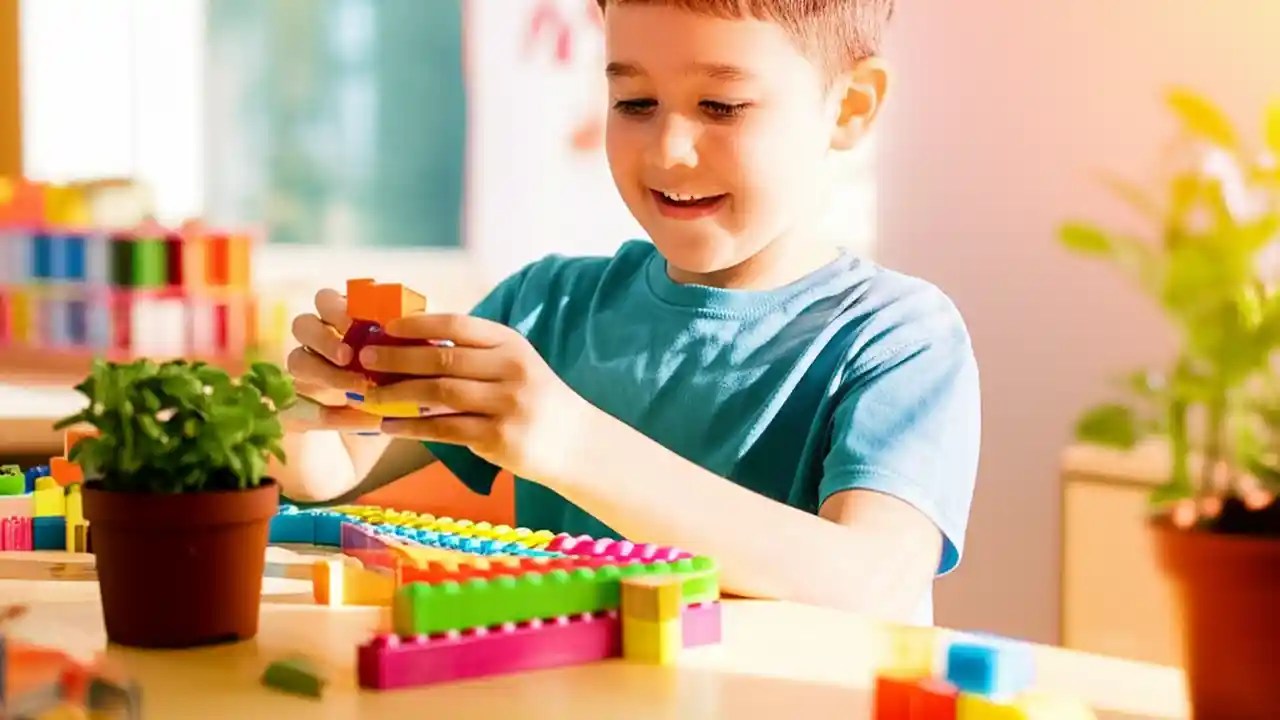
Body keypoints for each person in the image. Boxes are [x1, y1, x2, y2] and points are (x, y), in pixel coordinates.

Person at [277, 0, 980, 624]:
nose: (669, 150)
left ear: (851, 107)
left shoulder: (897, 338)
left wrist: (570, 444)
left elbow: (871, 582)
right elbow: (333, 466)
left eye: (721, 106)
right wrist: (325, 398)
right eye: (635, 102)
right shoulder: (544, 307)